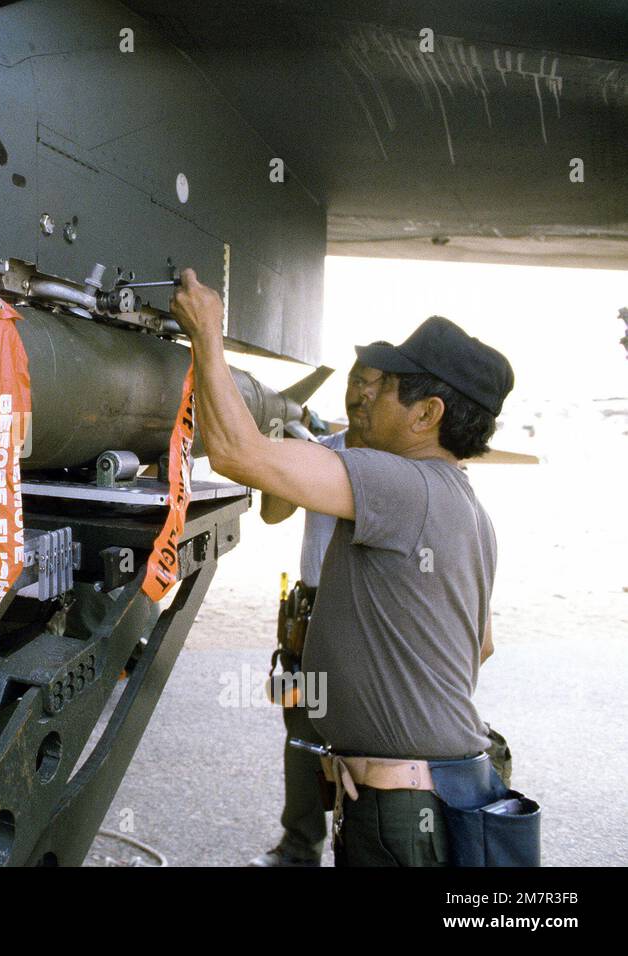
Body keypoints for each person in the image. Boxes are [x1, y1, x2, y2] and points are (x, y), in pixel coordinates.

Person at [171, 269, 514, 866]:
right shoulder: (466, 506)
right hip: (417, 793)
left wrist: (207, 334)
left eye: (387, 388)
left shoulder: (402, 482)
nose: (365, 397)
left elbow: (236, 454)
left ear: (426, 413)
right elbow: (478, 646)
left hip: (405, 809)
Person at [249, 361, 374, 867]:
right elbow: (272, 512)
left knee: (367, 737)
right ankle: (299, 848)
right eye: (354, 382)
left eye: (373, 385)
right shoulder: (324, 453)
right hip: (312, 608)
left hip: (366, 613)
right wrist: (285, 451)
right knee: (303, 731)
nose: (358, 395)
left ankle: (368, 848)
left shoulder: (396, 468)